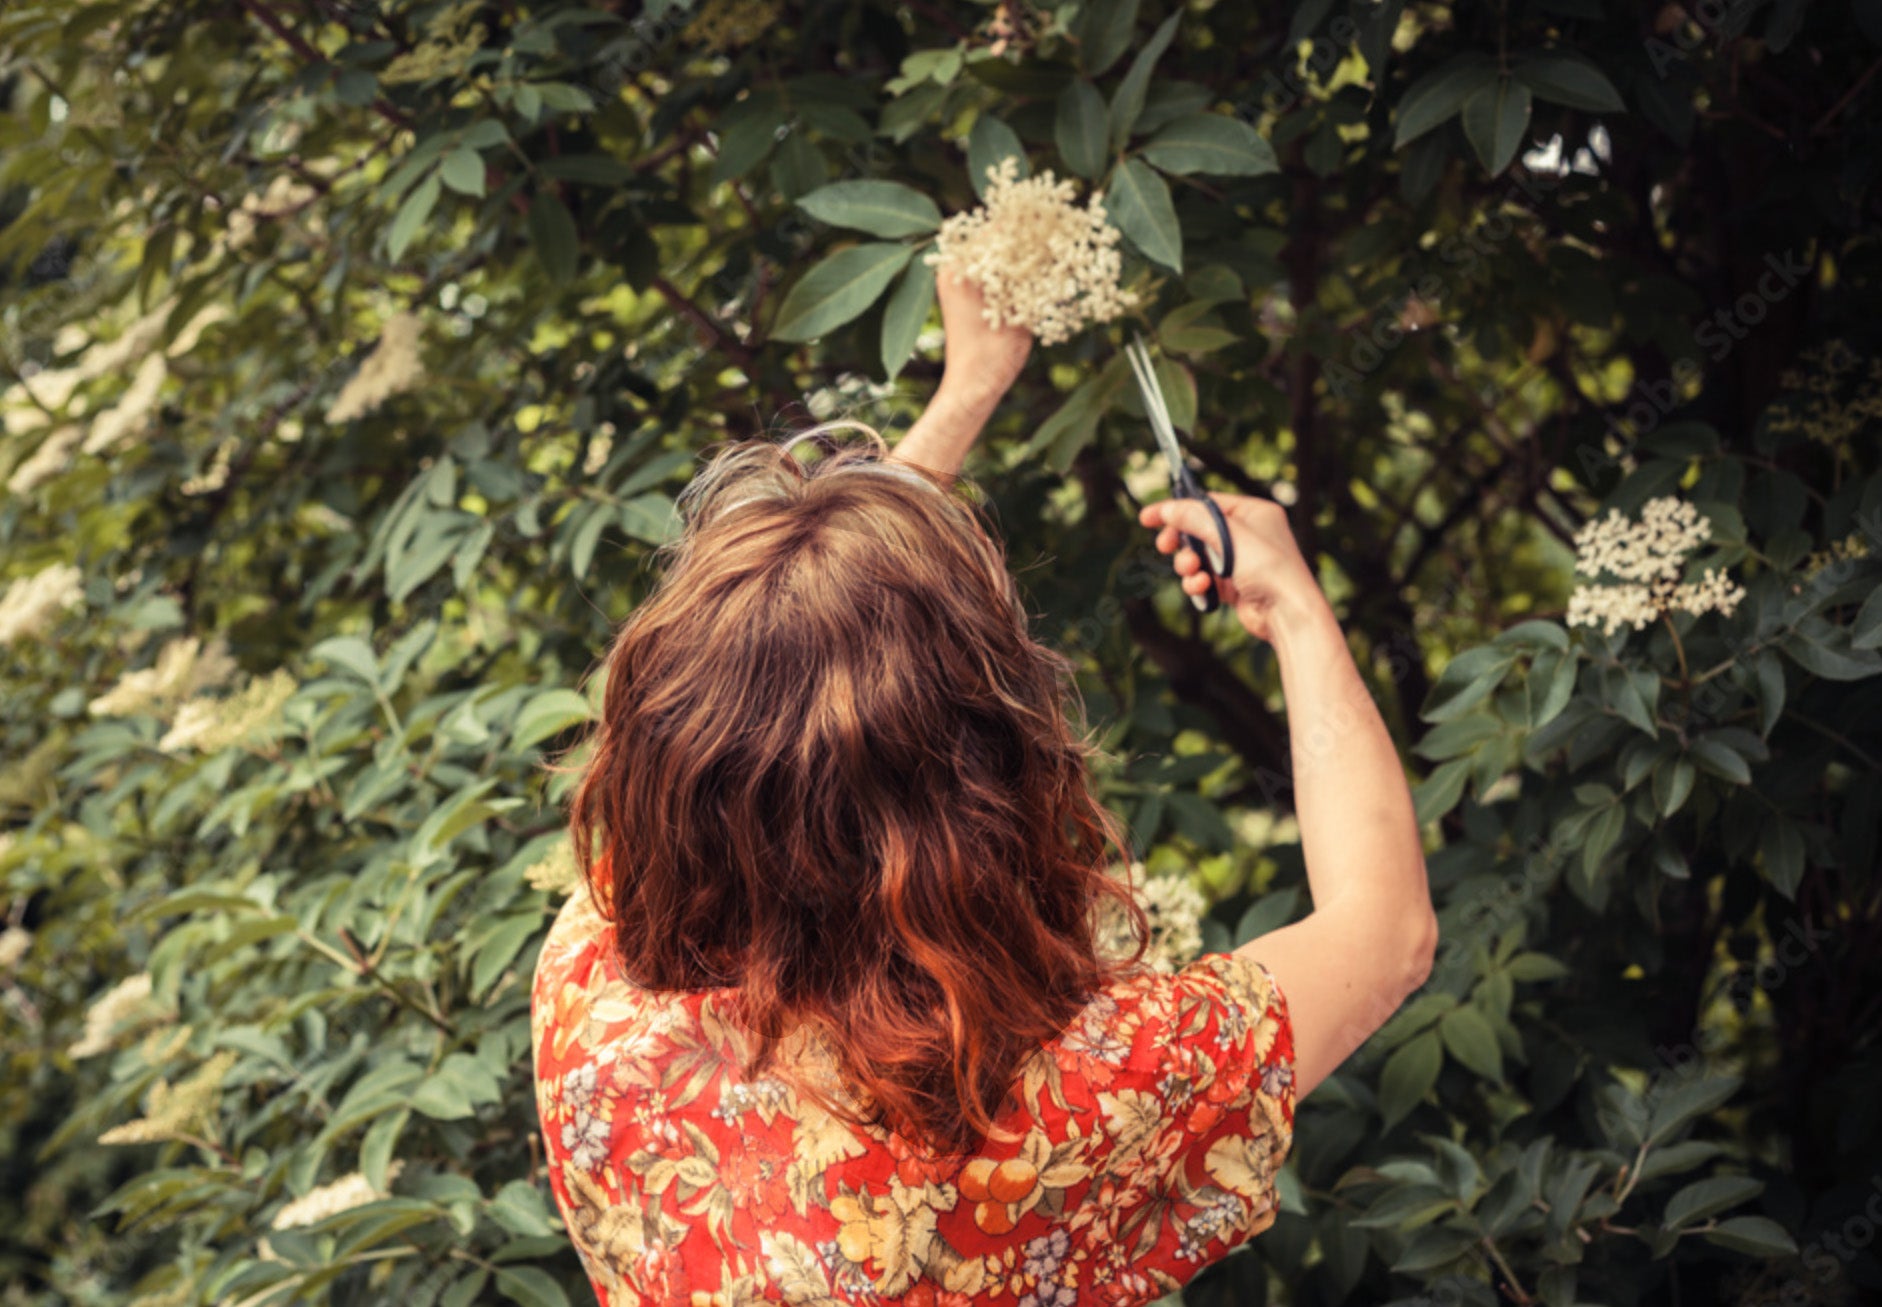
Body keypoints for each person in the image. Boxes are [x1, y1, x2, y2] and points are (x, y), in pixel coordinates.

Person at [529, 269, 1438, 1306]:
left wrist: (970, 386)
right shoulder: (1039, 1124)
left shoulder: (593, 987)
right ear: (975, 794)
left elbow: (788, 668)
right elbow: (1386, 932)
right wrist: (1295, 612)